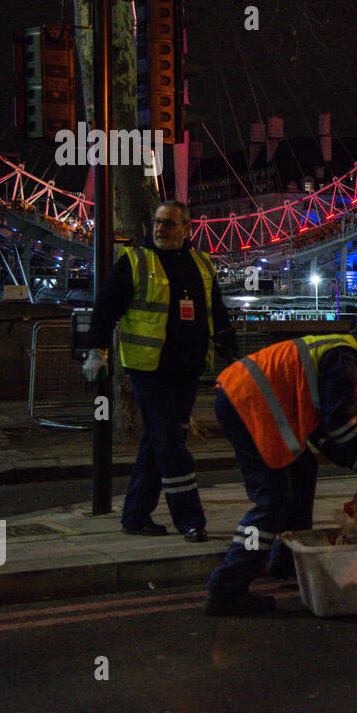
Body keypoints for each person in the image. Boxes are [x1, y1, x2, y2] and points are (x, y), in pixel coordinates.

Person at [205, 322, 357, 616]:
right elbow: (339, 421)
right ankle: (226, 590)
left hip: (245, 399)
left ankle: (286, 560)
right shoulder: (345, 359)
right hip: (247, 404)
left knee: (303, 469)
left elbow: (321, 430)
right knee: (272, 500)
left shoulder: (333, 352)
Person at [82, 200, 237, 542]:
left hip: (188, 368)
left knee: (159, 440)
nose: (160, 229)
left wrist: (231, 353)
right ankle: (190, 519)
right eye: (156, 222)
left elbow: (217, 312)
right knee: (170, 442)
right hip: (148, 368)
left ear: (187, 228)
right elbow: (105, 308)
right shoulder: (136, 262)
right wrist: (96, 350)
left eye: (168, 223)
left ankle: (135, 515)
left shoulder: (202, 263)